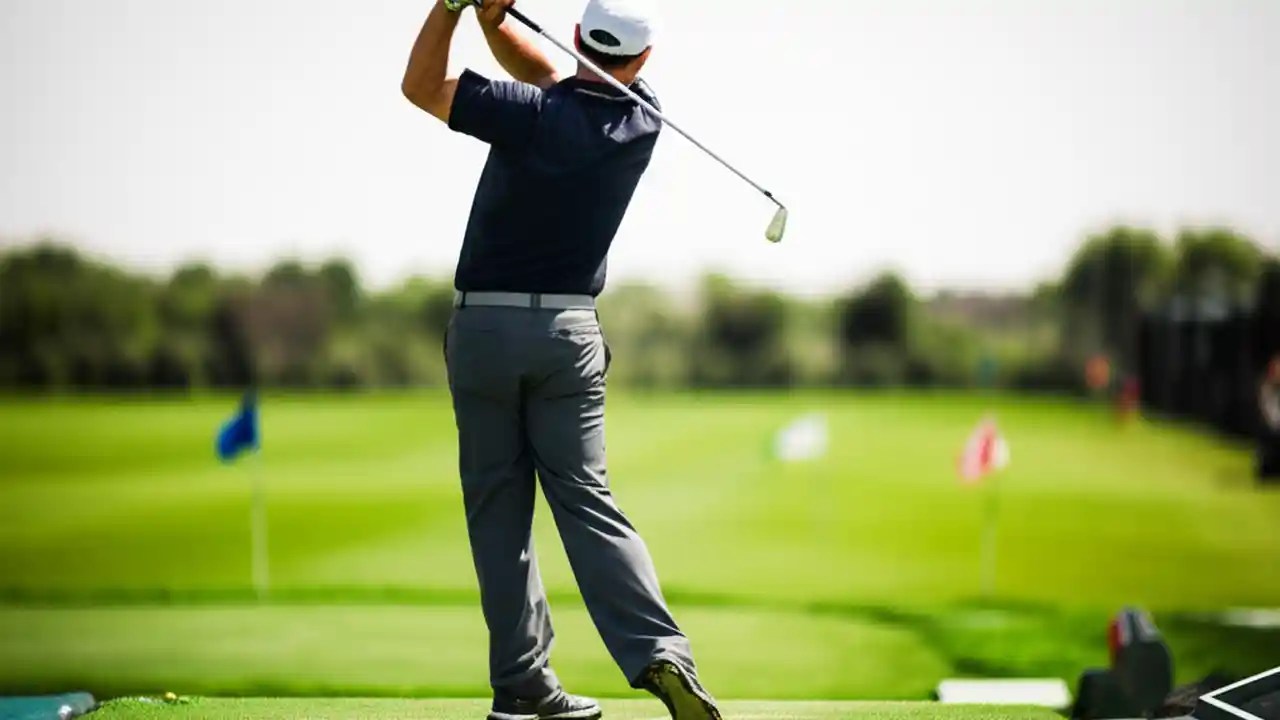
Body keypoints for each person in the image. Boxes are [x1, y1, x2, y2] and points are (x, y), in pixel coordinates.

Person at [400, 1, 721, 719]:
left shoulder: (528, 113)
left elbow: (423, 87)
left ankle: (522, 687)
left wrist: (451, 10)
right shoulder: (642, 120)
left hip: (484, 328)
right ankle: (659, 650)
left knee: (498, 508)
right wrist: (492, 19)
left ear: (577, 34)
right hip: (569, 336)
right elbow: (563, 80)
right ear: (643, 61)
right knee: (588, 500)